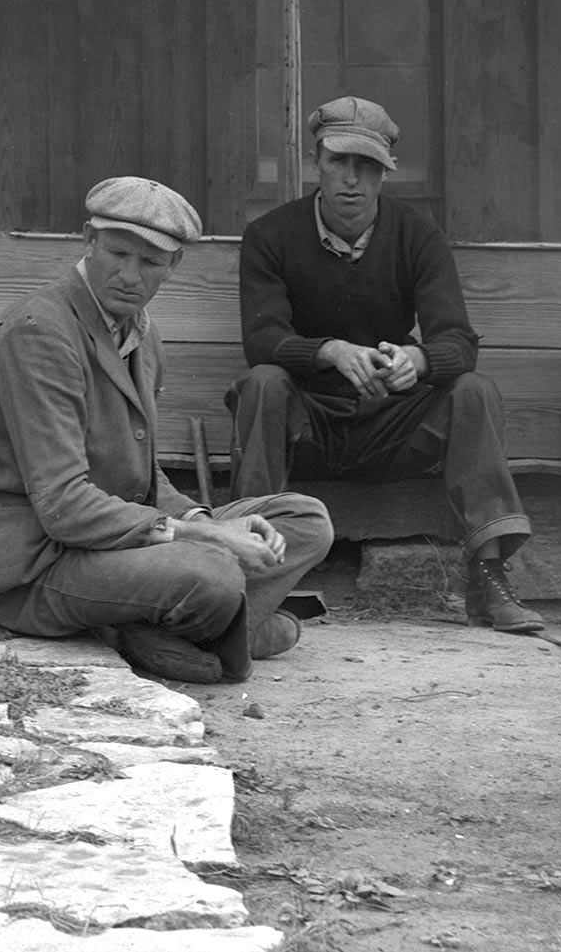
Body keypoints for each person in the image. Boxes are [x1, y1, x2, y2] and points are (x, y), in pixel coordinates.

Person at [0, 177, 333, 684]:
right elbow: (64, 507)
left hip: (114, 546)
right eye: (117, 253)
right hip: (38, 569)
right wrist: (206, 535)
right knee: (213, 570)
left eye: (151, 263)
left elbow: (139, 470)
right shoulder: (40, 333)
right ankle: (210, 628)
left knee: (306, 520)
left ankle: (163, 627)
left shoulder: (141, 331)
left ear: (174, 266)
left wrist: (202, 516)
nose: (130, 276)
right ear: (88, 239)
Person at [227, 96, 544, 634]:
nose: (351, 181)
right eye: (338, 163)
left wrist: (418, 360)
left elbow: (459, 342)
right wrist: (328, 350)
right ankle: (252, 573)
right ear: (315, 163)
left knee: (474, 390)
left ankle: (490, 575)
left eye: (368, 167)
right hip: (310, 427)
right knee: (263, 384)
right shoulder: (271, 236)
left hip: (393, 429)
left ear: (384, 175)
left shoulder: (418, 234)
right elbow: (262, 340)